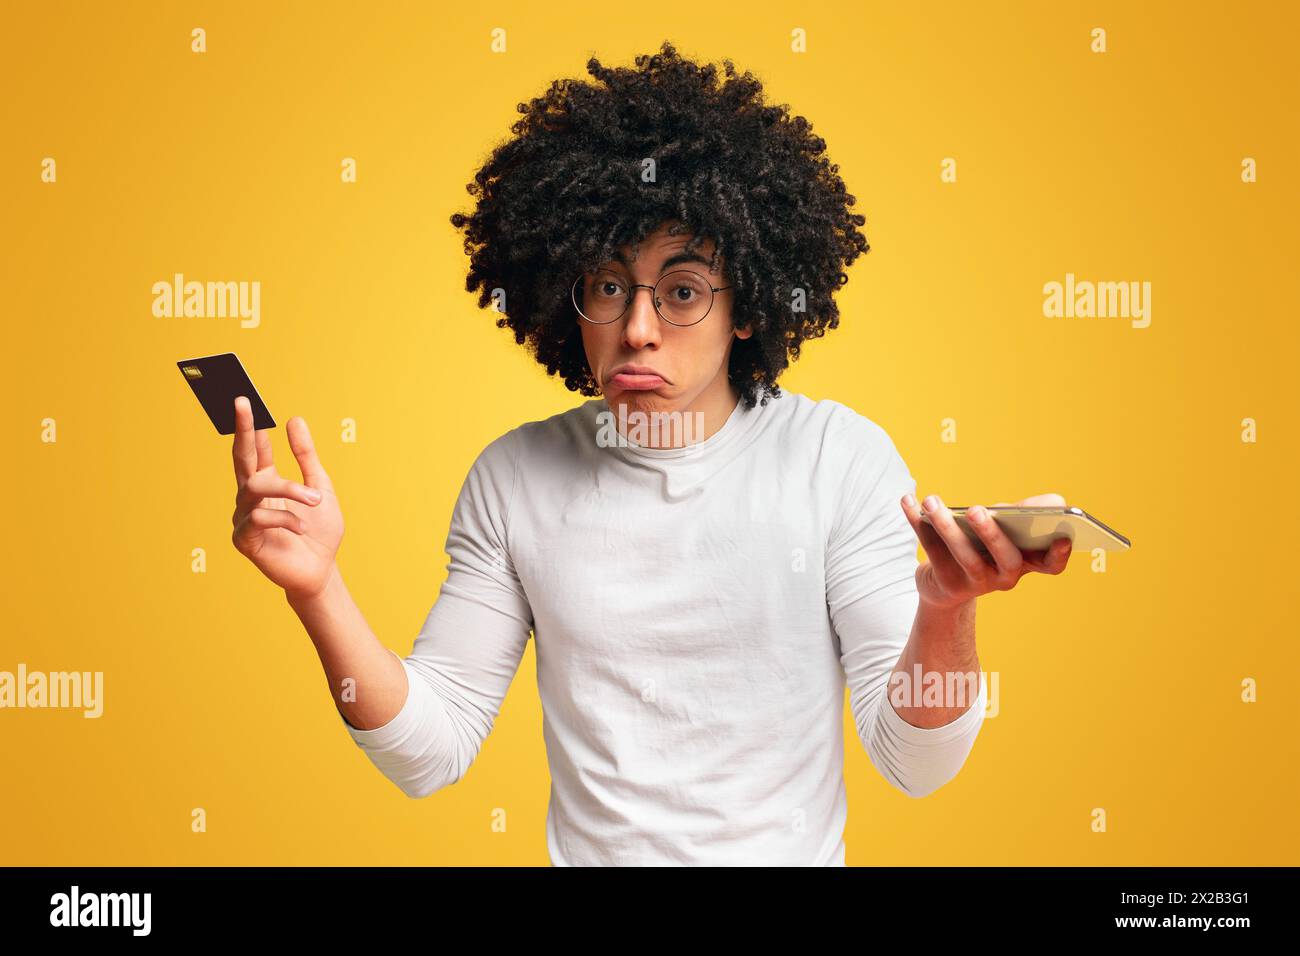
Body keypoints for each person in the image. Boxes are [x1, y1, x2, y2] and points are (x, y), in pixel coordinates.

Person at [228, 41, 1072, 866]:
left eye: (681, 290)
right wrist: (318, 587)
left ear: (746, 306)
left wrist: (947, 609)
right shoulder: (515, 478)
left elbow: (917, 763)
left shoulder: (837, 459)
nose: (636, 329)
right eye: (606, 286)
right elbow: (429, 750)